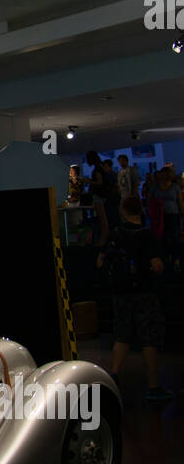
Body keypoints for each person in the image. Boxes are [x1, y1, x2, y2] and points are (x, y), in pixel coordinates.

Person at [96, 196, 172, 403]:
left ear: (122, 210)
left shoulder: (115, 234)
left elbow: (100, 261)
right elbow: (157, 265)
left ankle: (113, 375)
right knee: (149, 338)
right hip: (144, 292)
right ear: (141, 210)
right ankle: (153, 386)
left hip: (120, 293)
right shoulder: (147, 235)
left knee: (122, 335)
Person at [149, 166, 183, 271]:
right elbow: (150, 200)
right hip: (160, 216)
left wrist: (182, 214)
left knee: (174, 237)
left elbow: (180, 202)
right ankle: (164, 259)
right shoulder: (155, 187)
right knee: (161, 237)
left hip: (173, 215)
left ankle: (175, 259)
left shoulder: (175, 187)